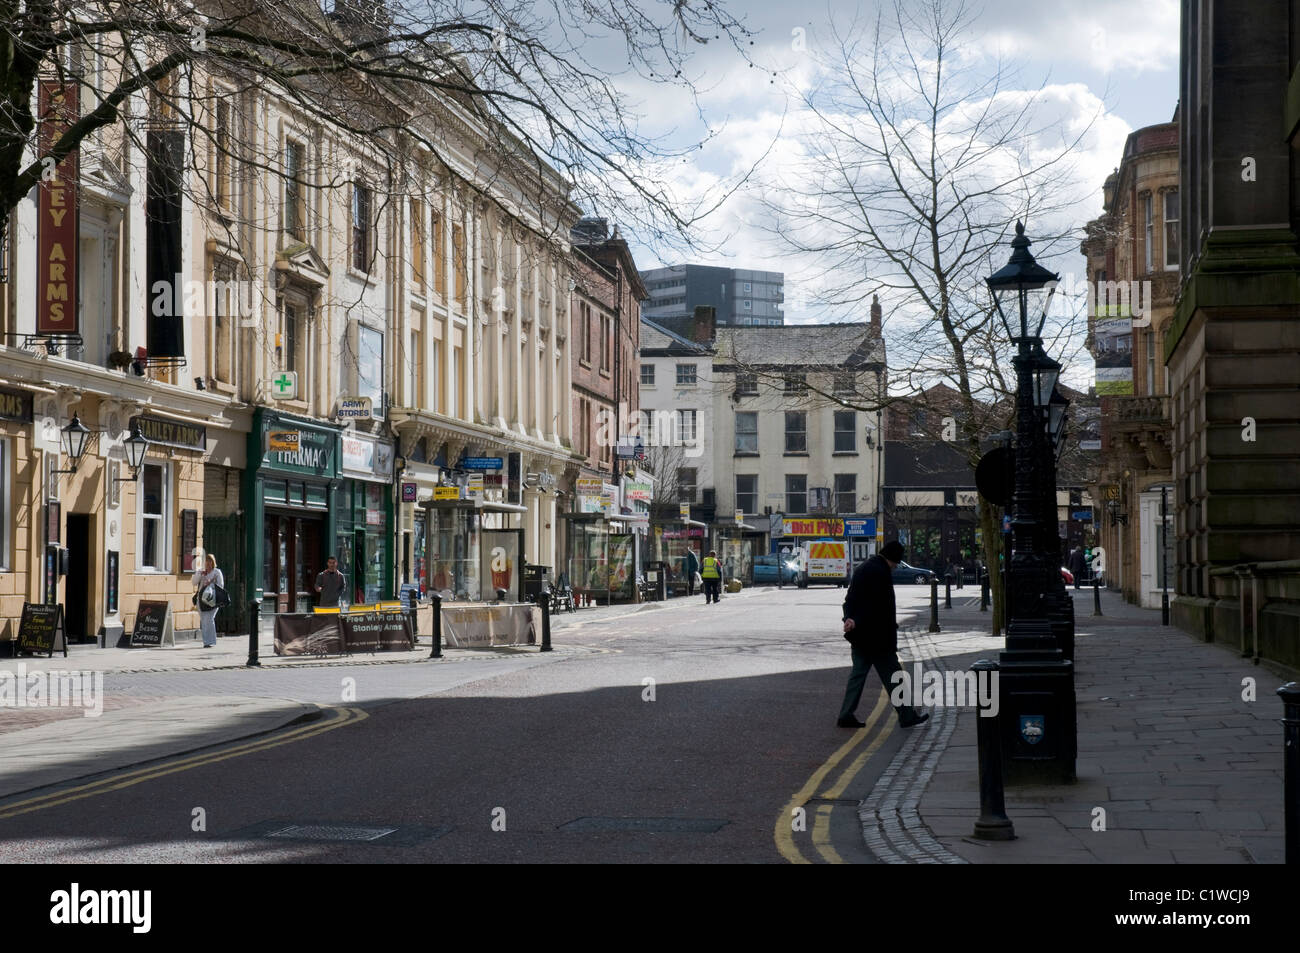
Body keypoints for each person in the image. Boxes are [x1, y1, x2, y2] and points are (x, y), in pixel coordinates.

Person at [838, 540, 929, 729]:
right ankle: (906, 715)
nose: (896, 567)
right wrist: (861, 620)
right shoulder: (880, 572)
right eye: (896, 563)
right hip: (877, 637)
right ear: (892, 559)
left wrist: (850, 618)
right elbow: (877, 606)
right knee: (894, 676)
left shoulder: (864, 568)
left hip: (860, 635)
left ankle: (846, 714)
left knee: (858, 675)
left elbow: (851, 599)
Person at [191, 553, 224, 648]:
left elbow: (221, 586)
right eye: (206, 562)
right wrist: (199, 574)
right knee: (204, 620)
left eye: (210, 562)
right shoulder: (201, 571)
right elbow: (194, 582)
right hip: (201, 600)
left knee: (209, 619)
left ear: (213, 563)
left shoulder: (217, 572)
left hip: (213, 599)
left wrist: (211, 583)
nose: (208, 564)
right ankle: (206, 641)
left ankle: (210, 641)